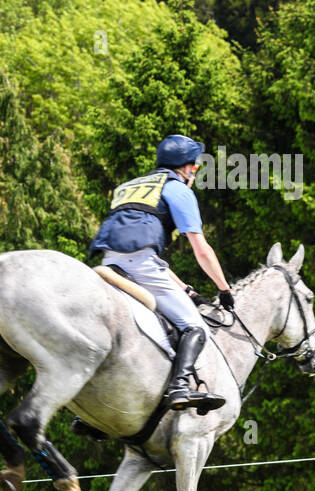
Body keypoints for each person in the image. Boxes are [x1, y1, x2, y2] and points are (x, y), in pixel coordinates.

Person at [88, 134, 234, 412]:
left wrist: (187, 290)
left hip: (110, 262)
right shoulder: (178, 190)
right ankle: (179, 386)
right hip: (140, 265)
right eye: (196, 167)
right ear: (187, 166)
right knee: (196, 327)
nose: (196, 173)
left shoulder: (129, 187)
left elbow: (145, 255)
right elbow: (201, 250)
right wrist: (224, 289)